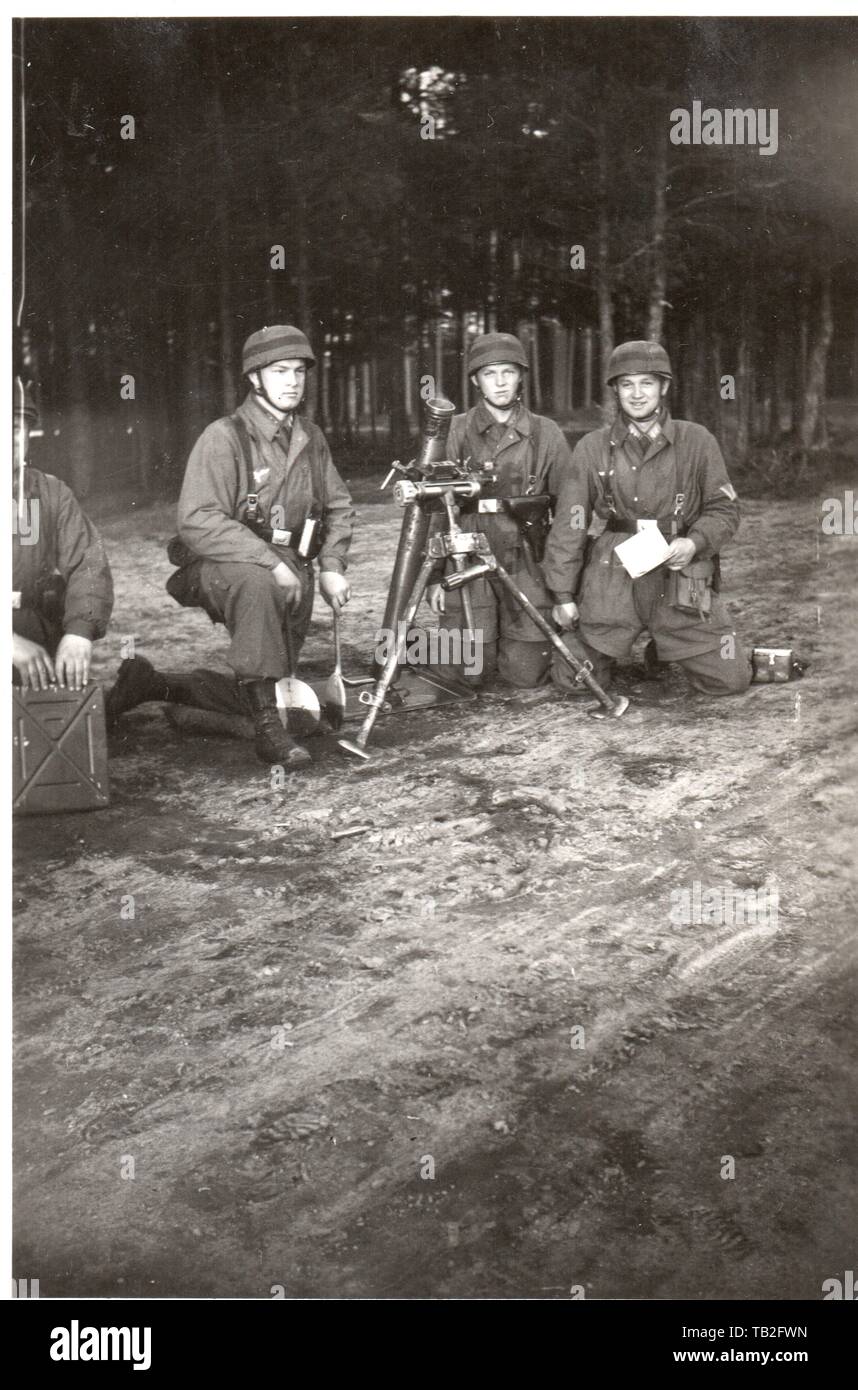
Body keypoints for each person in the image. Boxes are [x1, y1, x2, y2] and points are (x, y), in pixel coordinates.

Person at [106, 325, 355, 767]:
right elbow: (198, 518)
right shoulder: (224, 437)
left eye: (299, 371)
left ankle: (153, 685)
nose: (292, 381)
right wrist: (269, 562)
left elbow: (338, 507)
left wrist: (333, 564)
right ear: (255, 378)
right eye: (279, 371)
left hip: (293, 570)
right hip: (225, 568)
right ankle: (267, 734)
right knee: (258, 585)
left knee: (274, 680)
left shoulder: (311, 438)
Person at [543, 339, 752, 697]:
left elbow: (724, 508)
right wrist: (563, 594)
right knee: (571, 680)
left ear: (664, 387)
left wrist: (695, 541)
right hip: (613, 575)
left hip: (677, 571)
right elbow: (572, 522)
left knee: (730, 680)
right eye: (626, 384)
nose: (637, 394)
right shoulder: (592, 447)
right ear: (615, 391)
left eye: (647, 383)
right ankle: (630, 642)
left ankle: (668, 646)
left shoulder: (697, 440)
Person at [426, 332, 574, 689]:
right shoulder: (455, 429)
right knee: (464, 674)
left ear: (521, 375)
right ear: (476, 380)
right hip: (467, 556)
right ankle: (433, 647)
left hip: (526, 556)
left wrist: (563, 588)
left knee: (526, 675)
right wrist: (434, 576)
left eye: (508, 372)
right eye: (490, 374)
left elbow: (570, 511)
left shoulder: (546, 432)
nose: (501, 382)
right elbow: (433, 508)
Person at [12, 381, 114, 690]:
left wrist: (80, 630)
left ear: (29, 434)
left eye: (15, 427)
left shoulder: (50, 493)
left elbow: (88, 563)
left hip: (29, 625)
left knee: (62, 718)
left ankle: (135, 687)